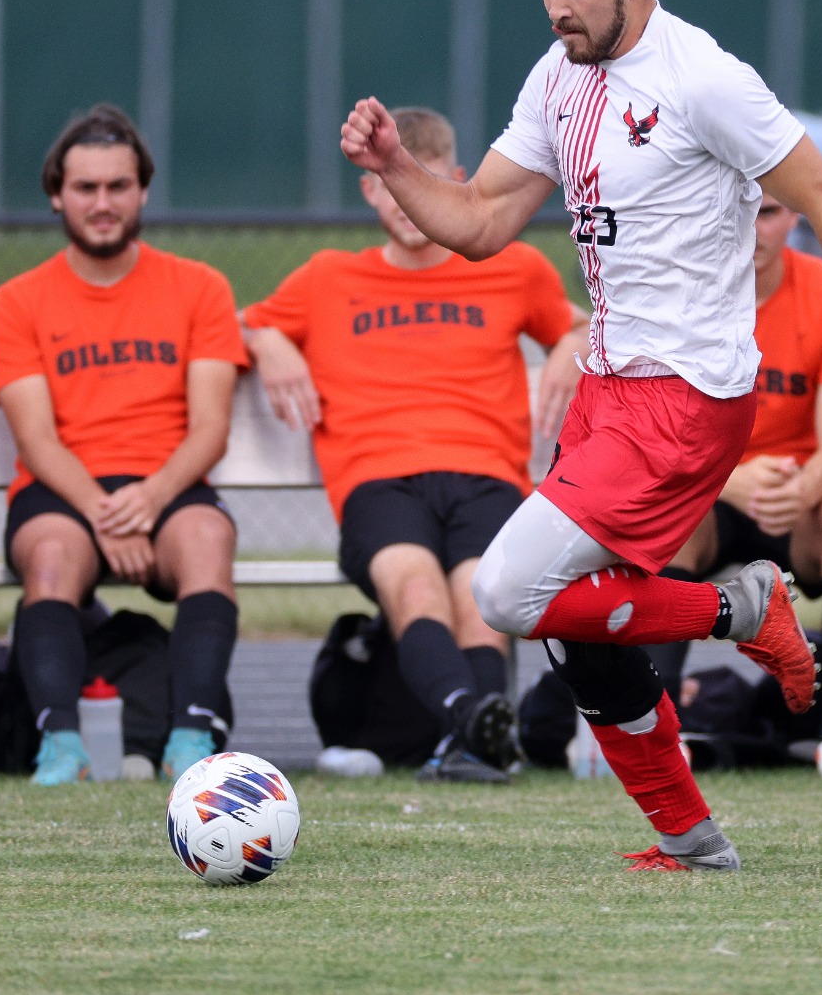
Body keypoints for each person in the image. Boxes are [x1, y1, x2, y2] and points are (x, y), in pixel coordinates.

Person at [338, 0, 822, 870]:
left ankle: (740, 608)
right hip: (607, 391)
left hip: (685, 400)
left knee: (507, 593)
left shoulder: (704, 80)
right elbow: (481, 222)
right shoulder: (558, 75)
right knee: (579, 628)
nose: (558, 9)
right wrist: (397, 167)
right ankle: (690, 837)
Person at [242, 107, 589, 782]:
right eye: (391, 183)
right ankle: (472, 722)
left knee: (481, 596)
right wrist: (267, 340)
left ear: (457, 182)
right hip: (379, 479)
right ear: (369, 187)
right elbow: (235, 324)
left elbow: (581, 326)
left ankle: (476, 737)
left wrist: (569, 344)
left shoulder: (512, 267)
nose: (407, 200)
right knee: (416, 588)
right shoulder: (326, 278)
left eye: (424, 183)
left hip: (485, 474)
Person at [0, 104, 249, 786]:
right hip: (63, 491)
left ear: (143, 191)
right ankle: (60, 748)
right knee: (51, 557)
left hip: (167, 486)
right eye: (85, 188)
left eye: (117, 186)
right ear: (57, 194)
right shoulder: (17, 300)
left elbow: (210, 428)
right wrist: (104, 513)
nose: (102, 203)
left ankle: (191, 739)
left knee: (208, 541)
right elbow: (35, 439)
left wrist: (150, 499)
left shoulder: (200, 287)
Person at [647, 192, 822, 787]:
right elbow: (653, 440)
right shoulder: (673, 297)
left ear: (794, 217)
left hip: (797, 499)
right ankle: (658, 732)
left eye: (768, 211)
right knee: (666, 519)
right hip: (706, 494)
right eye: (734, 207)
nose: (750, 227)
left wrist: (798, 490)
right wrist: (729, 480)